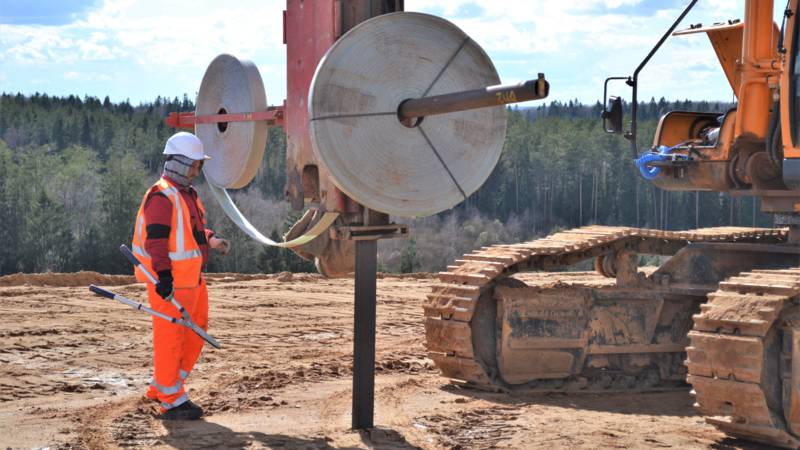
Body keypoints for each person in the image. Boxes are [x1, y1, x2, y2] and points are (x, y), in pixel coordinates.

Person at [130, 132, 230, 420]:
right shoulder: (161, 196)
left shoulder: (186, 194)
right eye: (197, 165)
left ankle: (165, 384)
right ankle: (171, 399)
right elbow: (156, 242)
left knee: (196, 330)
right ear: (183, 164)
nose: (199, 170)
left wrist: (210, 240)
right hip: (171, 283)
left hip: (192, 279)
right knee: (170, 338)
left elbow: (192, 230)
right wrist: (164, 277)